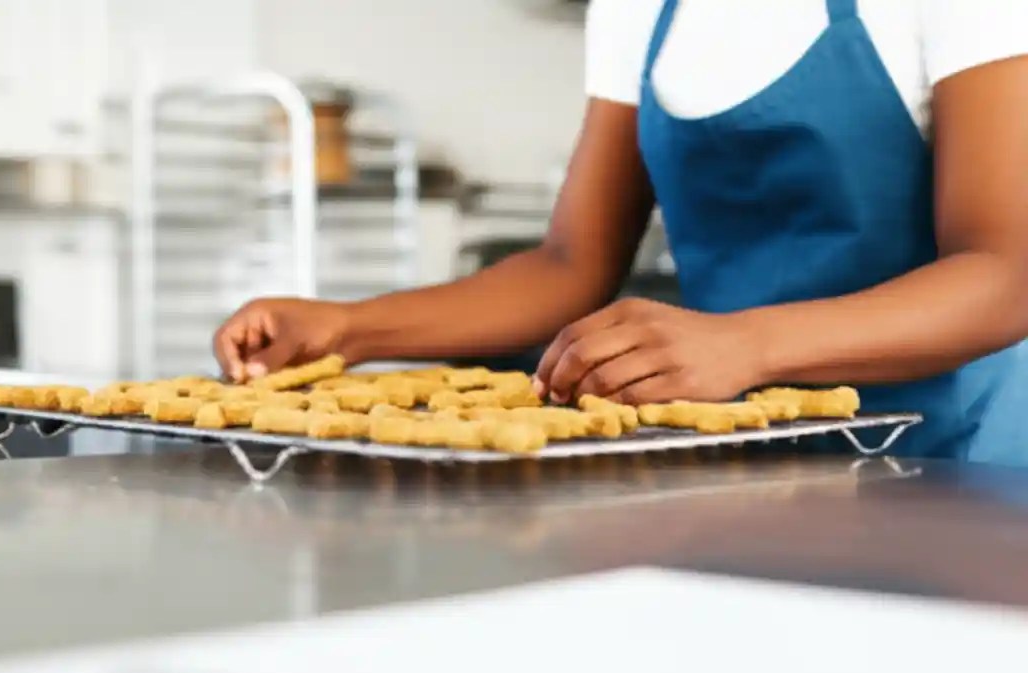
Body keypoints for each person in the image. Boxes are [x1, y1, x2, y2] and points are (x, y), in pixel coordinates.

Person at [214, 0, 1028, 466]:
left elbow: (1006, 269)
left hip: (958, 460)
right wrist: (351, 328)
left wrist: (744, 345)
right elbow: (571, 262)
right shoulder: (641, 10)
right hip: (743, 461)